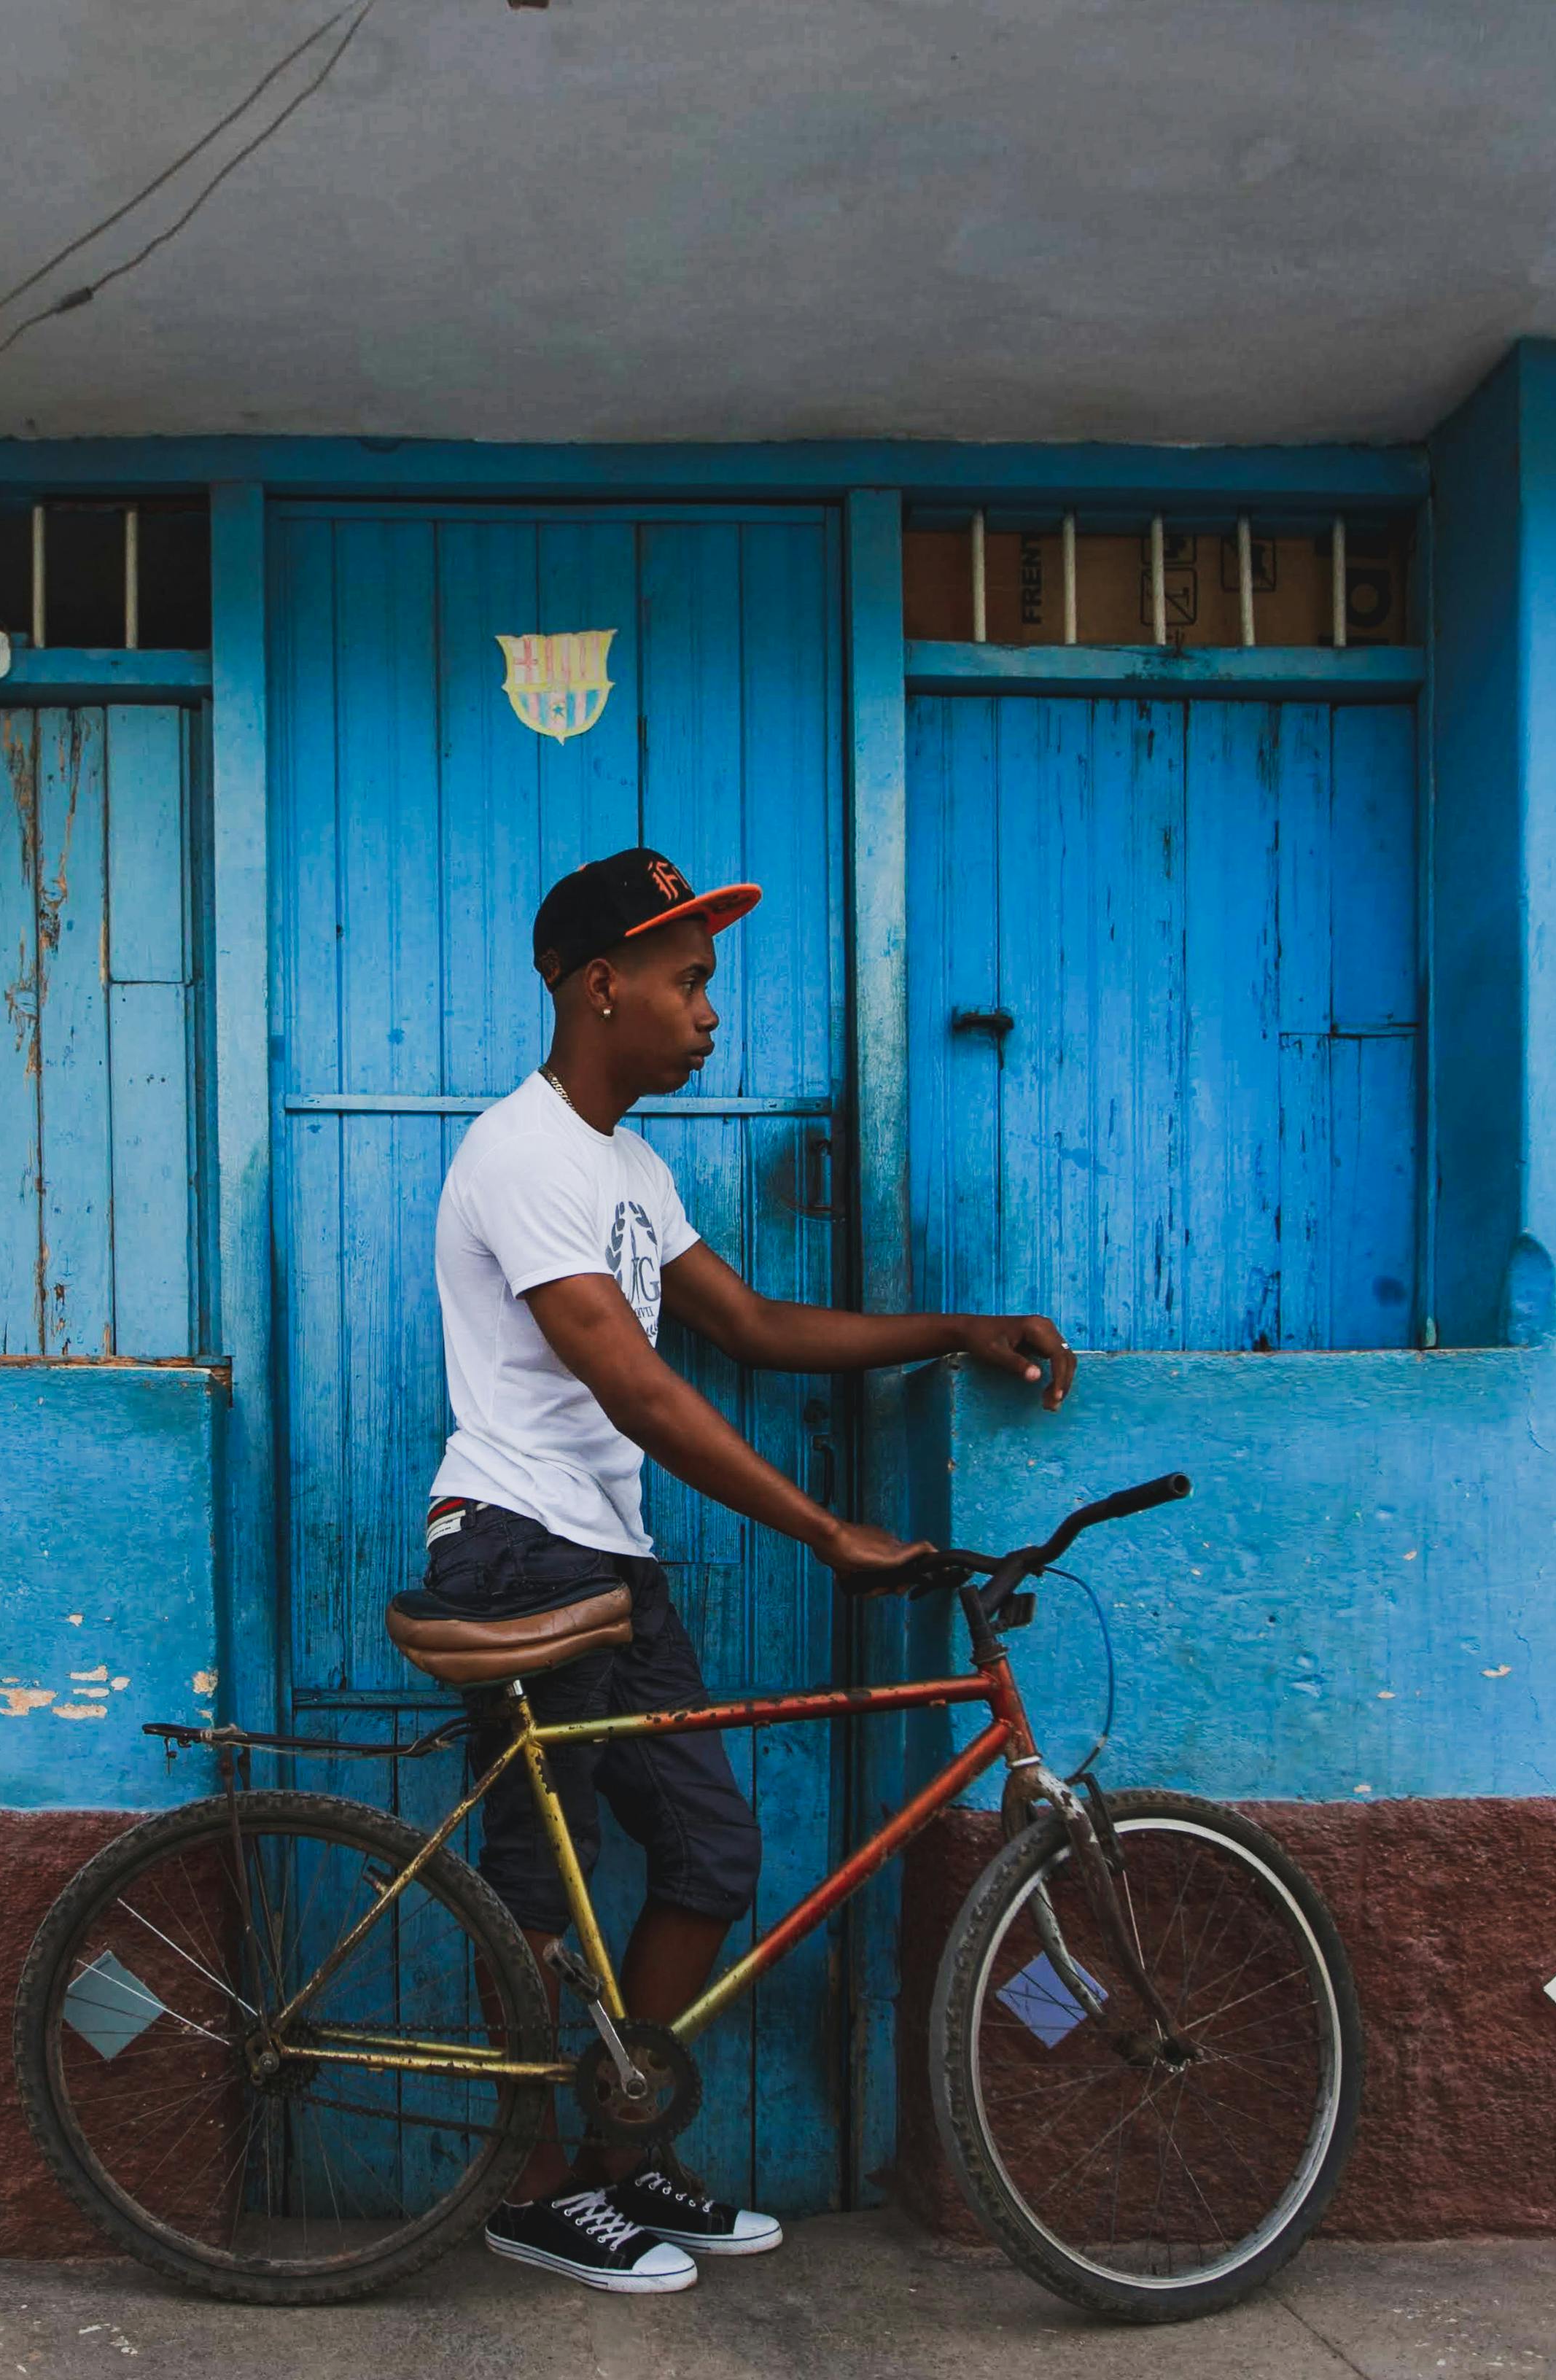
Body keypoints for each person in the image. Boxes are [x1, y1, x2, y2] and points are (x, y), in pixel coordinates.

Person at [398, 845, 1073, 2294]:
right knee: (540, 1882)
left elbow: (754, 1326)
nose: (712, 1014)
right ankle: (529, 2193)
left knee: (708, 1848)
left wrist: (951, 1328)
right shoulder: (519, 1153)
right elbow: (638, 1390)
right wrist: (828, 1533)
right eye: (688, 982)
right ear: (600, 987)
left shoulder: (629, 1165)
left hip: (607, 1558)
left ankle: (618, 2161)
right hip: (519, 1551)